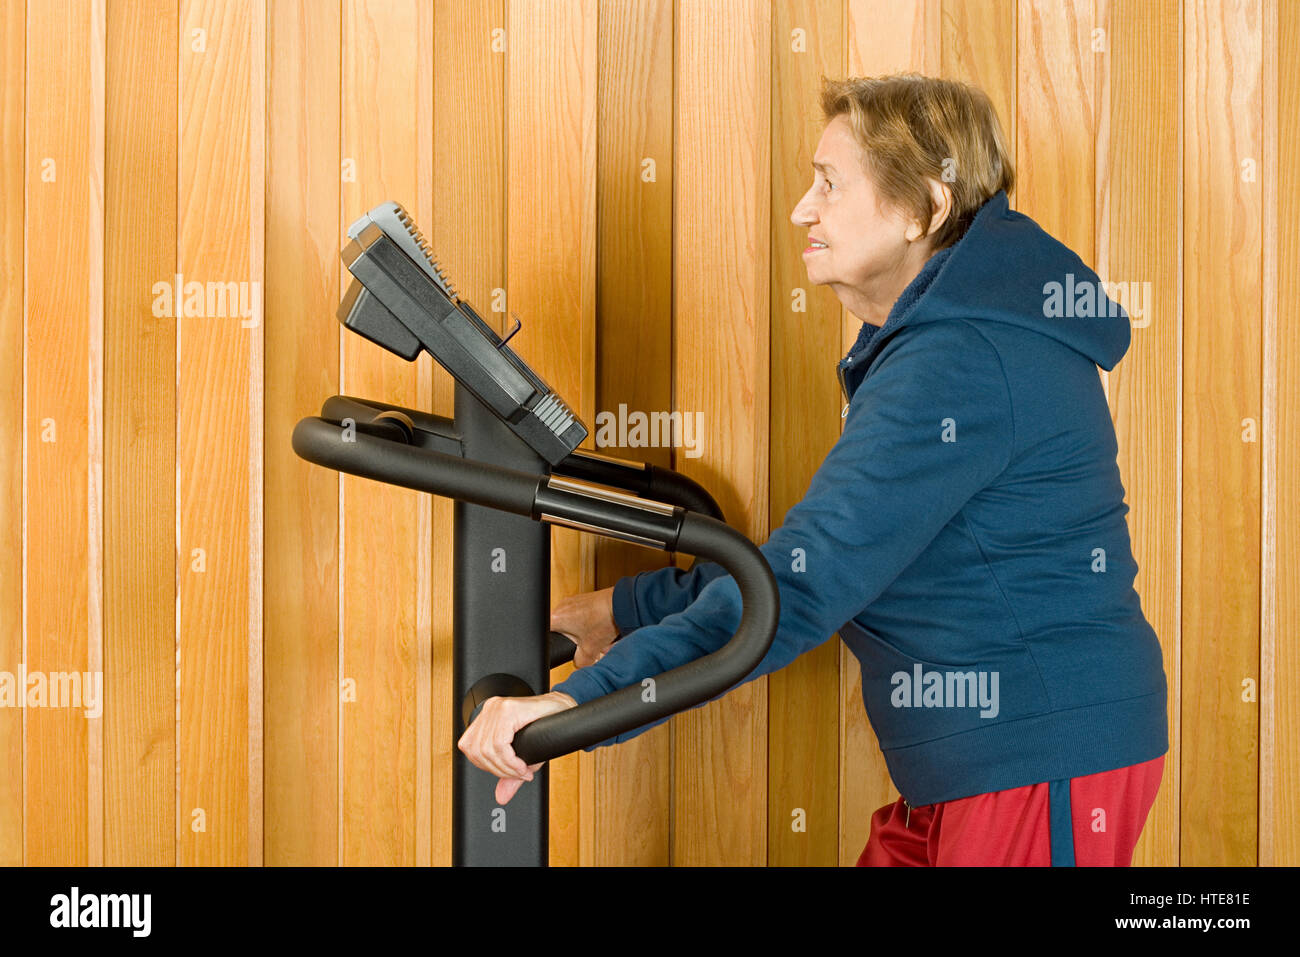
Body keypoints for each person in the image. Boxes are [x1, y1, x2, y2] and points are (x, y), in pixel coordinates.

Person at [457, 73, 1168, 866]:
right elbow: (827, 550)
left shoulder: (959, 360)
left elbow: (801, 585)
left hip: (1038, 752)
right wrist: (627, 608)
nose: (803, 208)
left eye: (830, 184)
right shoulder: (951, 343)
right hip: (982, 763)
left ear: (925, 209)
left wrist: (576, 702)